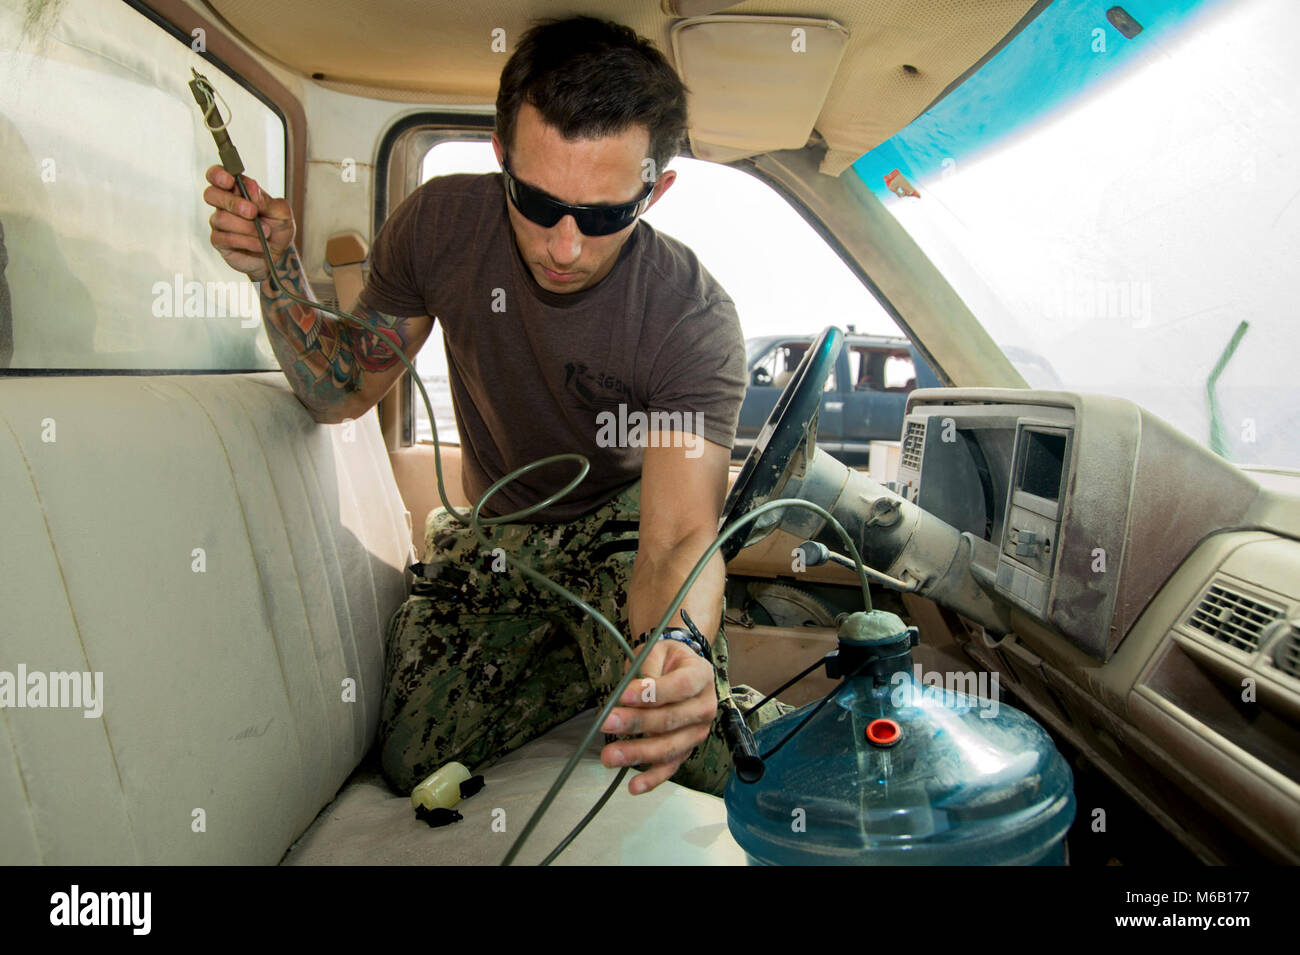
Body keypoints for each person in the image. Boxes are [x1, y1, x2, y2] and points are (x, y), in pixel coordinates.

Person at [203, 16, 790, 799]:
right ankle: (588, 659)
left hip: (620, 532)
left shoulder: (690, 317)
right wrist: (275, 272)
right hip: (497, 534)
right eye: (538, 201)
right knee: (413, 756)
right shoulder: (439, 226)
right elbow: (338, 388)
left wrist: (679, 641)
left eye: (606, 214)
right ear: (501, 157)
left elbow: (678, 534)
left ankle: (612, 660)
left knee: (691, 741)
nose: (566, 246)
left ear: (657, 189)